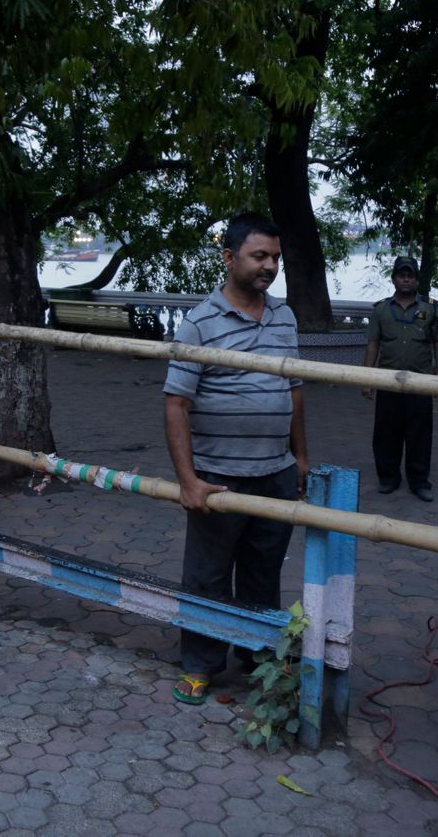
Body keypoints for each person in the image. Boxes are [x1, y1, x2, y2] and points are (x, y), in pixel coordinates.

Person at [163, 212, 309, 705]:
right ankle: (200, 664)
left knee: (262, 573)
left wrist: (300, 456)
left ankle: (259, 657)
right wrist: (188, 480)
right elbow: (176, 405)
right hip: (218, 477)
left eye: (275, 258)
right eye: (258, 256)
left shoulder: (285, 316)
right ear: (228, 257)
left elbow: (294, 389)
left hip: (276, 473)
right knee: (207, 576)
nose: (269, 266)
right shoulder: (199, 323)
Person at [362, 256, 438, 502]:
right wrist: (367, 378)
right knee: (386, 432)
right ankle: (388, 478)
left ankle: (419, 482)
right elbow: (373, 344)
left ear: (417, 280)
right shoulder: (381, 310)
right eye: (401, 275)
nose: (406, 280)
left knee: (420, 434)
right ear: (393, 279)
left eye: (410, 276)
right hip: (388, 381)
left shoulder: (430, 308)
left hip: (420, 382)